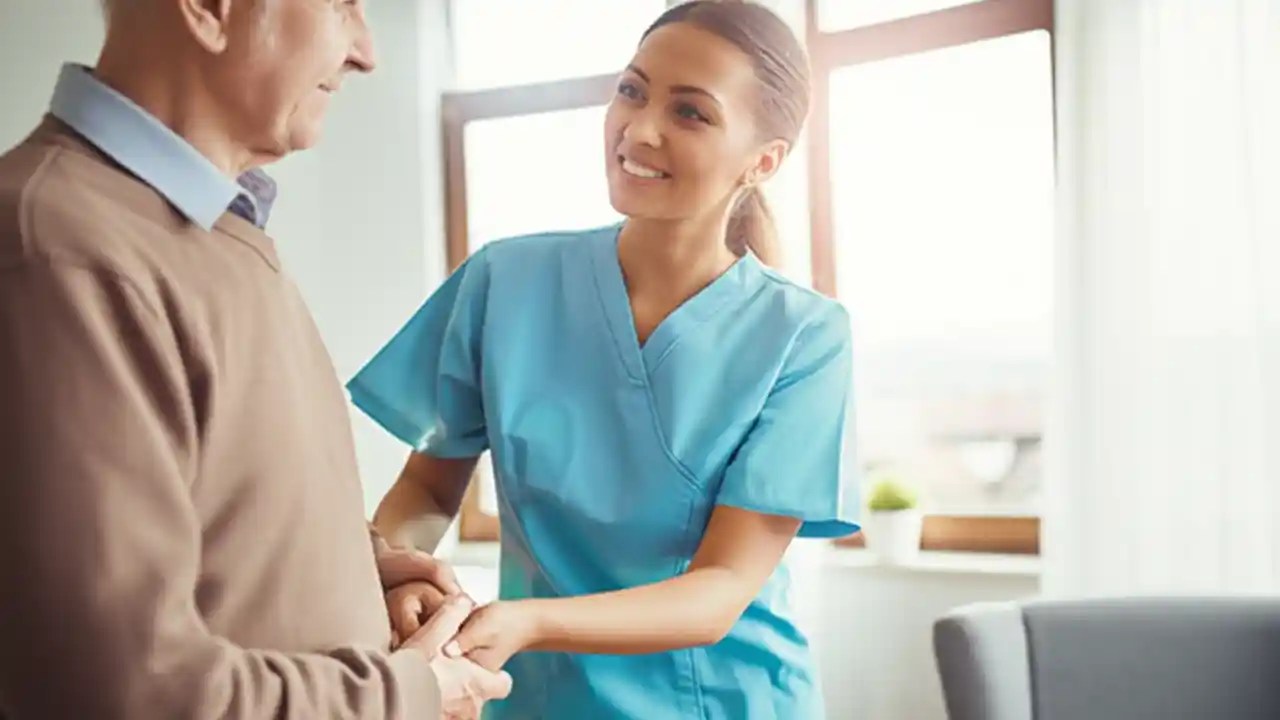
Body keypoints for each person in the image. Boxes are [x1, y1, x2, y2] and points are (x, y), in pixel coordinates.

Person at [0, 1, 510, 717]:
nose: (367, 52)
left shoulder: (215, 239)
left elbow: (216, 518)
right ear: (209, 9)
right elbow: (121, 689)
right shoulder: (61, 253)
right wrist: (408, 693)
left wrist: (365, 574)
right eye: (343, 7)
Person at [349, 1, 859, 717]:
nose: (639, 128)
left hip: (723, 703)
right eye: (632, 90)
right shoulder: (505, 282)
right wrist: (403, 576)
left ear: (763, 161)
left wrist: (528, 622)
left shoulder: (804, 336)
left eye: (690, 113)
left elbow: (720, 588)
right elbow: (427, 494)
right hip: (533, 699)